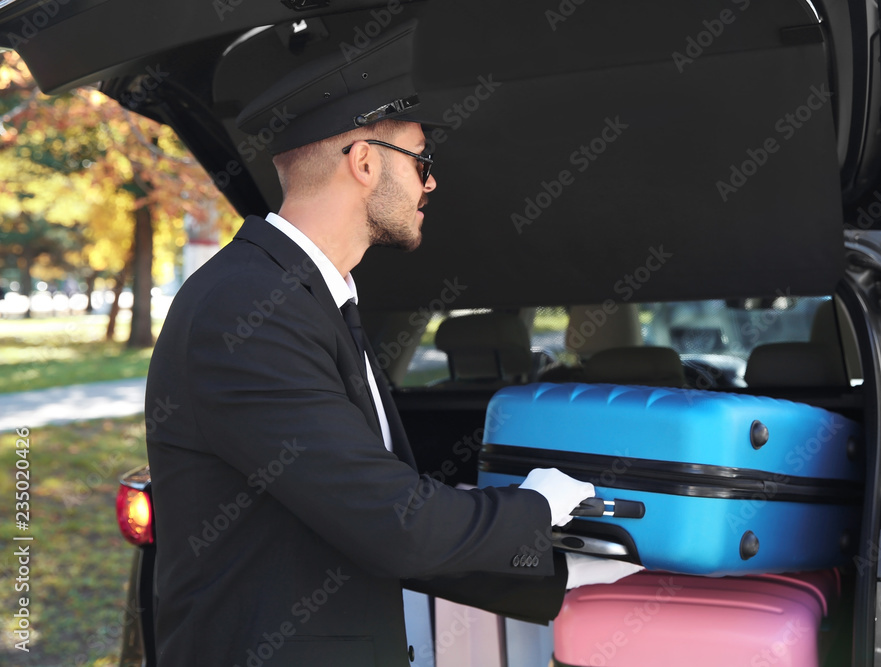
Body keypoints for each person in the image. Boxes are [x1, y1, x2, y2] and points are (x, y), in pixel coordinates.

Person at [144, 20, 639, 667]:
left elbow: (367, 526)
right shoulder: (248, 311)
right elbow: (394, 525)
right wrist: (536, 506)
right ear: (366, 160)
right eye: (421, 160)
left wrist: (560, 573)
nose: (431, 183)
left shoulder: (308, 301)